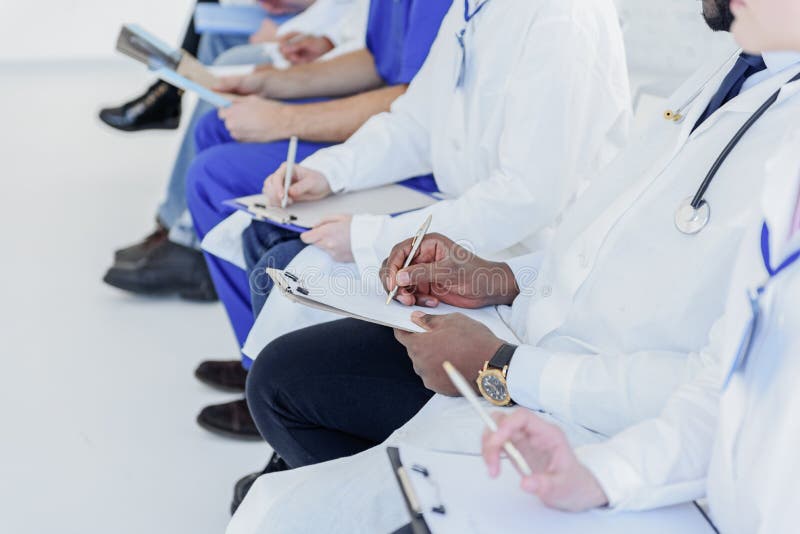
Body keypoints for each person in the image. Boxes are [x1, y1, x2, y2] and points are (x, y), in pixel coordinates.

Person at [228, 1, 800, 532]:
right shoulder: (742, 67)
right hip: (541, 327)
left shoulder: (565, 21)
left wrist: (503, 367)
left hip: (603, 410)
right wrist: (496, 279)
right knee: (284, 372)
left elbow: (727, 389)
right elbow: (607, 240)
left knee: (322, 475)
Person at [481, 2, 800, 531]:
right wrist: (604, 477)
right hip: (641, 451)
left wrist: (509, 369)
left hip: (599, 402)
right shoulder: (743, 83)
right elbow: (726, 384)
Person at [183, 0, 454, 439]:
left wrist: (284, 118)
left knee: (213, 176)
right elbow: (376, 59)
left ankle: (271, 369)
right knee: (218, 127)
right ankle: (259, 351)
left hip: (424, 166)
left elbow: (414, 101)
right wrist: (271, 82)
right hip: (397, 127)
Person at [102, 0, 367, 302]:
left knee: (227, 83)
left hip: (342, 53)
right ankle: (179, 225)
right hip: (329, 33)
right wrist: (314, 34)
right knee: (218, 54)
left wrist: (295, 32)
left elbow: (384, 65)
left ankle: (190, 240)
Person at [98, 0, 307, 132]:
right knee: (210, 21)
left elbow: (338, 19)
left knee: (224, 56)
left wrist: (283, 31)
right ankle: (169, 93)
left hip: (310, 30)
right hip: (308, 14)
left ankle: (168, 93)